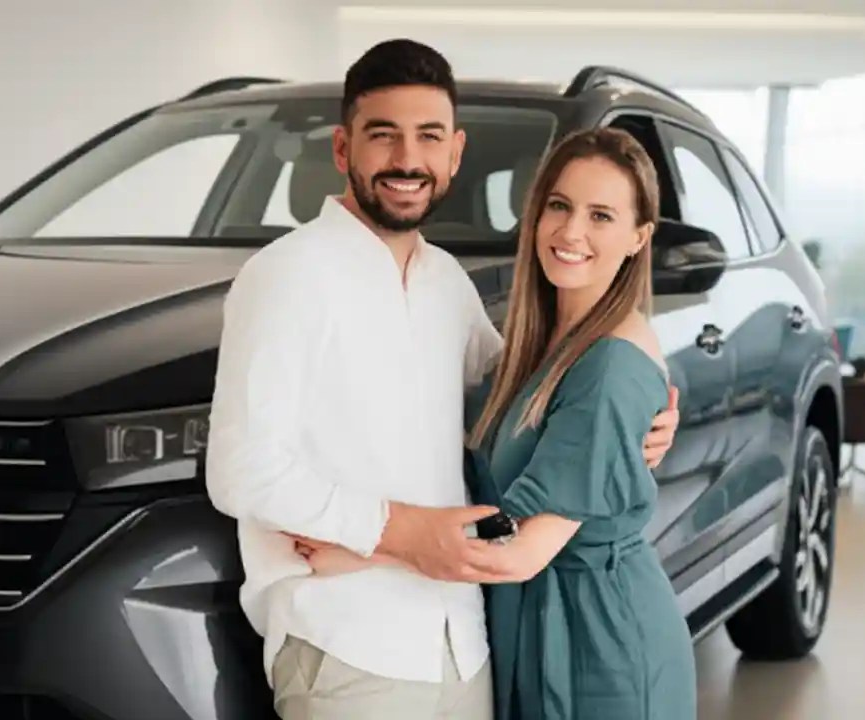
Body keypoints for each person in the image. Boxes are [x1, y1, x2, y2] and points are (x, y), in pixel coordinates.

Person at [203, 40, 680, 720]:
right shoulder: (287, 276)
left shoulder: (444, 282)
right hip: (349, 643)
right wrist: (392, 536)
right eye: (383, 136)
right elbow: (240, 470)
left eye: (427, 137)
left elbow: (530, 394)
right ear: (343, 150)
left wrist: (650, 411)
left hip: (467, 643)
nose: (406, 159)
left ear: (454, 155)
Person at [299, 127, 698, 719]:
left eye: (601, 216)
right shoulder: (540, 341)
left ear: (640, 238)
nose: (571, 232)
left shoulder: (611, 364)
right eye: (559, 206)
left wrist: (365, 546)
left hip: (603, 647)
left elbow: (519, 550)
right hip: (539, 628)